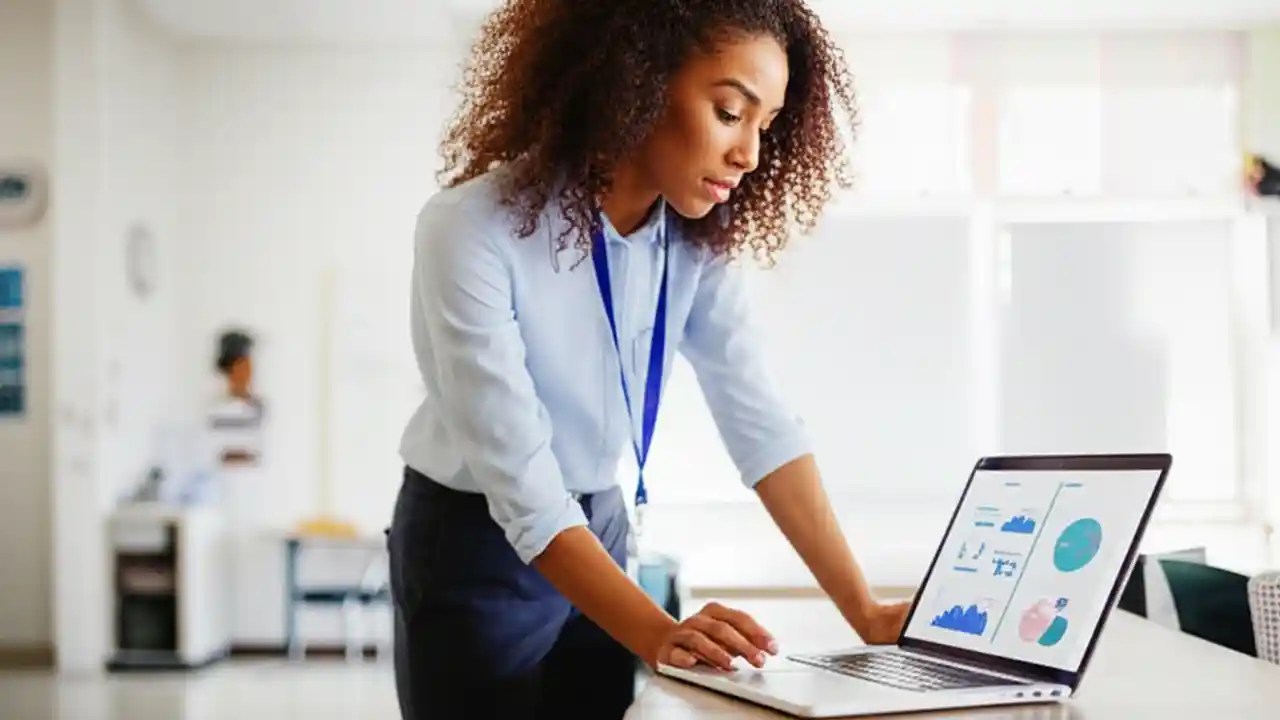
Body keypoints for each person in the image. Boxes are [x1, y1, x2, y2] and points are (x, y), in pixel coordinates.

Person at [389, 1, 910, 717]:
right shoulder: (471, 227)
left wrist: (866, 611)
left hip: (598, 524)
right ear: (635, 78)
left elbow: (761, 424)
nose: (750, 154)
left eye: (765, 126)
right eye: (730, 112)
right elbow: (524, 485)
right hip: (475, 542)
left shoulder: (694, 241)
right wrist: (660, 632)